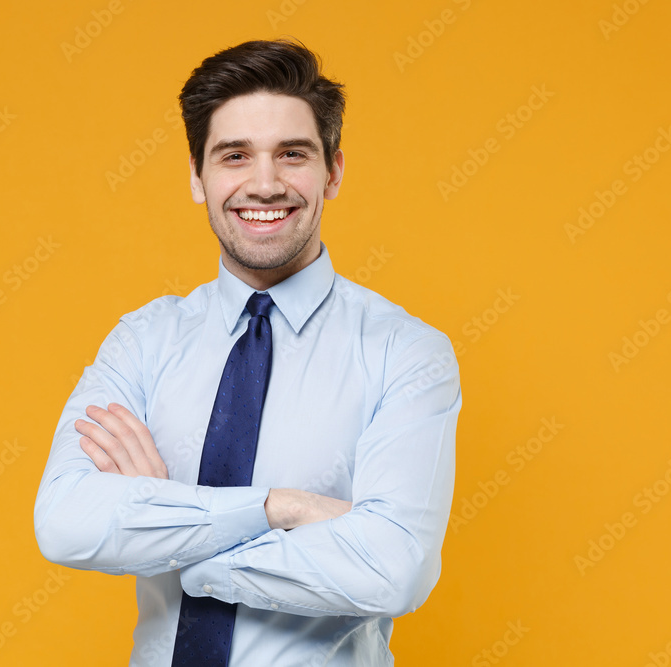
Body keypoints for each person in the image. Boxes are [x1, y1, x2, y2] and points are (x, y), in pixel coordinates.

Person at [34, 38, 462, 667]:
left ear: (333, 171)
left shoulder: (406, 353)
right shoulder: (143, 341)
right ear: (196, 176)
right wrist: (276, 509)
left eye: (293, 154)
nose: (265, 185)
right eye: (234, 156)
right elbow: (66, 522)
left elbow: (394, 570)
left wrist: (171, 525)